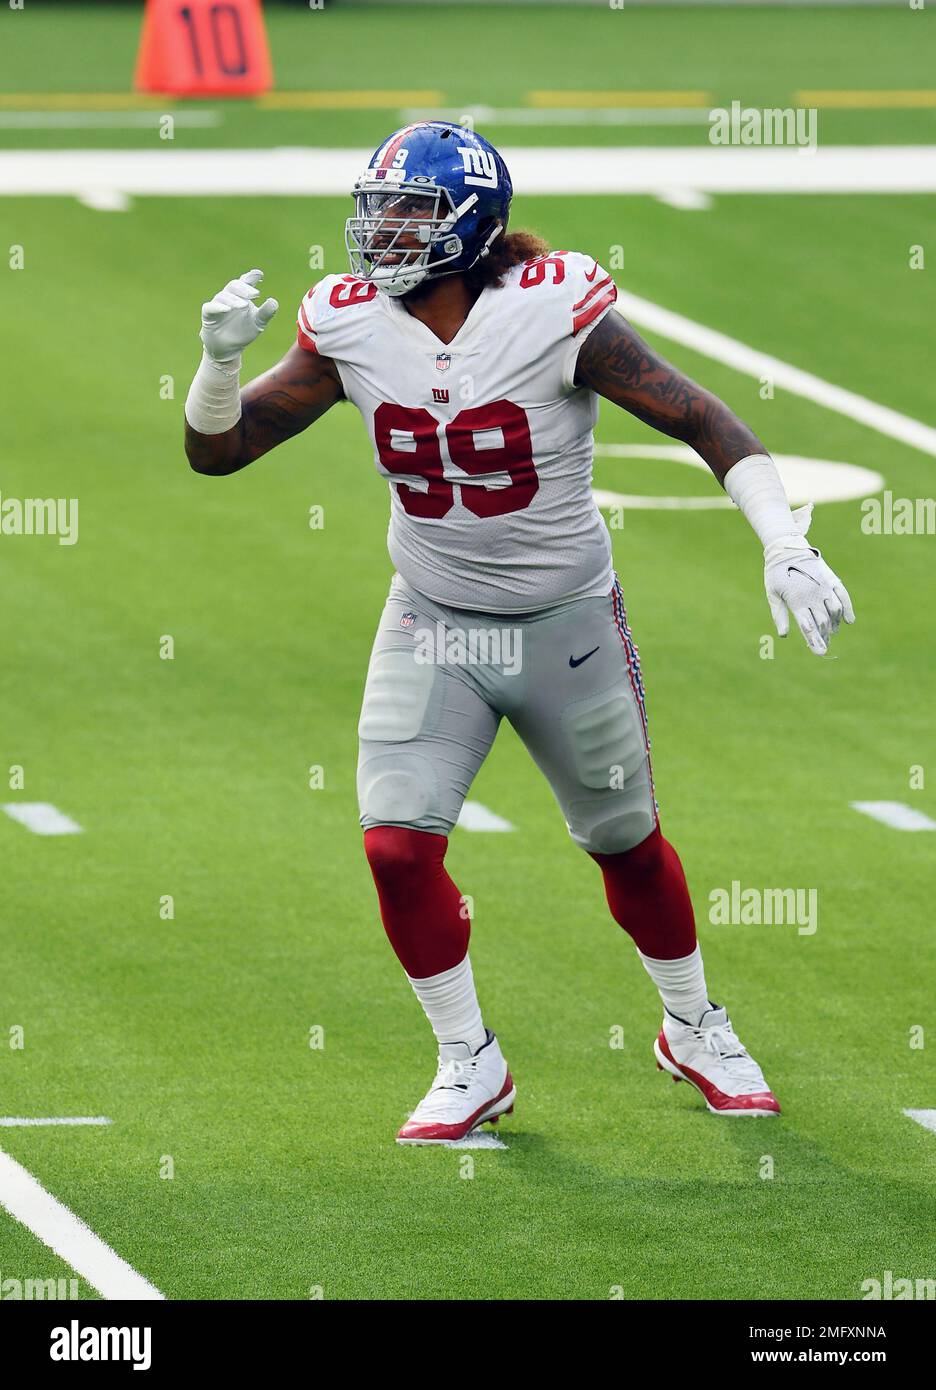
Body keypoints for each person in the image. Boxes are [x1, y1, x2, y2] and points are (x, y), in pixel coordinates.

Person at [184, 123, 854, 1143]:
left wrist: (782, 540)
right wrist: (217, 364)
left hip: (564, 623)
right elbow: (219, 453)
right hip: (432, 620)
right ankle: (469, 1061)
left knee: (625, 844)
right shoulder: (349, 322)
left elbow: (704, 420)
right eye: (379, 204)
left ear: (472, 223)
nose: (383, 228)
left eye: (409, 208)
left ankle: (694, 1025)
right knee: (396, 849)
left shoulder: (553, 310)